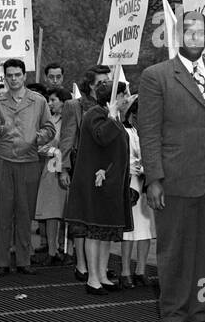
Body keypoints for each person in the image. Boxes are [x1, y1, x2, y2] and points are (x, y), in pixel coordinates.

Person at [137, 10, 205, 322]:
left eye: (200, 31)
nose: (195, 36)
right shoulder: (157, 75)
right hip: (175, 178)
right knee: (175, 251)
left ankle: (202, 311)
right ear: (179, 34)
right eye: (188, 31)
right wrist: (154, 178)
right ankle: (174, 315)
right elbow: (148, 131)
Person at [66, 78, 134, 294]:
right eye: (125, 94)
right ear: (116, 97)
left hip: (110, 183)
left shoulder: (112, 117)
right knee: (94, 231)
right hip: (96, 183)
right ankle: (92, 278)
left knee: (105, 232)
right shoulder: (96, 114)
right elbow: (102, 137)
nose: (128, 98)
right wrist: (113, 116)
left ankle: (102, 274)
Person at [0, 58, 55, 276]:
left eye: (17, 74)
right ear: (4, 77)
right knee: (2, 212)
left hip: (29, 161)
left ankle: (23, 259)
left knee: (25, 212)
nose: (13, 79)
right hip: (2, 160)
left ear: (24, 76)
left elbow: (50, 128)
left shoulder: (38, 101)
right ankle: (1, 261)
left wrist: (37, 137)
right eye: (9, 75)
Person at [60, 66, 110, 281]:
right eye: (101, 82)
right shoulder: (75, 105)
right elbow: (67, 137)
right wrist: (63, 168)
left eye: (108, 81)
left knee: (99, 218)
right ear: (91, 84)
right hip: (81, 165)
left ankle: (98, 267)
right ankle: (81, 264)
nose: (106, 85)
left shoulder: (109, 105)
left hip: (104, 168)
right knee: (81, 216)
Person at [35, 86, 71, 265]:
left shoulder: (75, 119)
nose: (50, 103)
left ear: (64, 101)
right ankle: (52, 250)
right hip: (52, 168)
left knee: (69, 212)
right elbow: (39, 145)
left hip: (72, 168)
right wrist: (55, 151)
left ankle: (71, 250)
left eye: (53, 100)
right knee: (52, 212)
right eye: (49, 100)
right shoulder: (50, 121)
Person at [120, 96, 154, 286]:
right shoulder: (126, 131)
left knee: (146, 229)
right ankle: (125, 271)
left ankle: (141, 269)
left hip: (148, 184)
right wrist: (140, 167)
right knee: (129, 231)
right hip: (132, 183)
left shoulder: (150, 132)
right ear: (133, 115)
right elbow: (126, 157)